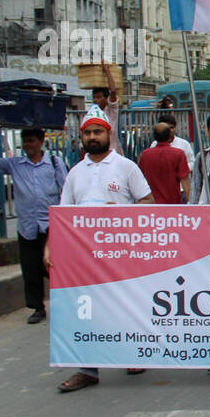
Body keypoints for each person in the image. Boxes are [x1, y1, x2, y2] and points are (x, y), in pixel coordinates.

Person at [53, 106, 153, 393]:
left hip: (121, 252)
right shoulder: (74, 173)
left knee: (126, 304)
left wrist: (123, 211)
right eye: (87, 133)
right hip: (84, 256)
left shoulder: (126, 166)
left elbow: (148, 201)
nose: (92, 137)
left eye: (98, 132)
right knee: (85, 310)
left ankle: (132, 355)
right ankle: (87, 369)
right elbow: (63, 215)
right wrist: (52, 247)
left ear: (108, 134)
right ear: (81, 137)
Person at [0, 119, 66, 324]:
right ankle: (37, 307)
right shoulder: (15, 165)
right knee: (30, 270)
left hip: (51, 227)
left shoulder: (54, 163)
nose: (28, 145)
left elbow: (66, 189)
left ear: (41, 141)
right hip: (27, 227)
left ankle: (66, 303)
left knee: (55, 268)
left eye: (31, 141)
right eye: (25, 142)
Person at [138, 121, 191, 204]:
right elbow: (185, 181)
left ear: (154, 137)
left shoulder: (145, 155)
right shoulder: (178, 154)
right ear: (170, 136)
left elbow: (140, 179)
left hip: (152, 205)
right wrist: (190, 202)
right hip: (173, 204)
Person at [90, 81, 122, 155]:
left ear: (106, 99)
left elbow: (113, 91)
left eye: (98, 97)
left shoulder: (111, 111)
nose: (95, 100)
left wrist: (107, 70)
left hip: (113, 151)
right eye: (94, 97)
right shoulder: (92, 114)